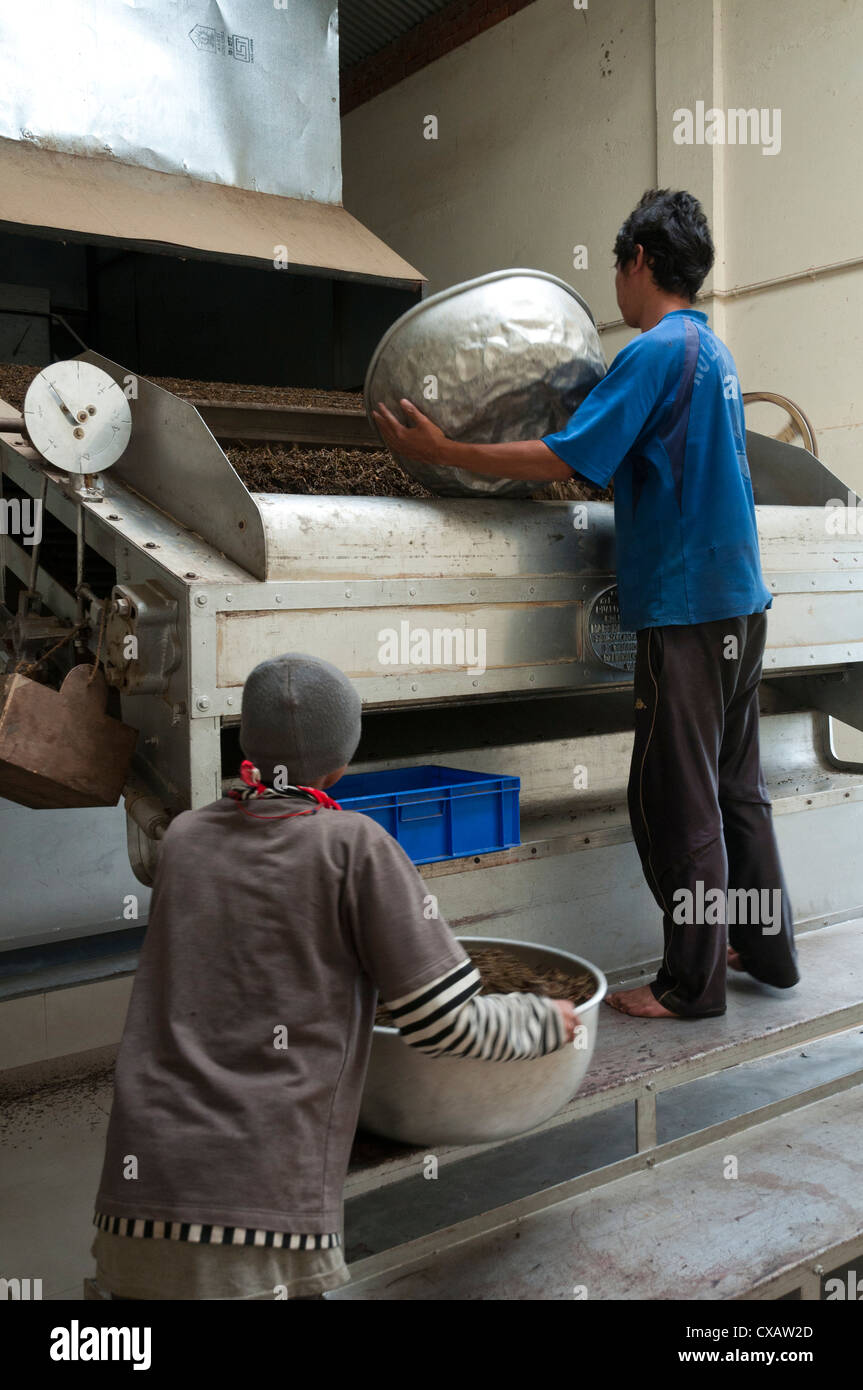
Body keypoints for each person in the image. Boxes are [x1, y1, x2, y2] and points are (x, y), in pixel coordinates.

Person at [373, 188, 799, 1021]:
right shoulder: (711, 354)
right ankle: (766, 950)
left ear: (637, 261)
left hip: (684, 613)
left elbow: (565, 459)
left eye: (616, 265)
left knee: (676, 802)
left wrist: (442, 449)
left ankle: (690, 983)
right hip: (741, 611)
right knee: (736, 792)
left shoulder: (653, 352)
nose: (615, 281)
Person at [90, 653, 578, 1300]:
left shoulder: (183, 838)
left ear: (246, 744)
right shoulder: (354, 845)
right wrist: (546, 1021)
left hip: (136, 1201)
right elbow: (443, 1024)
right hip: (257, 1224)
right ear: (341, 763)